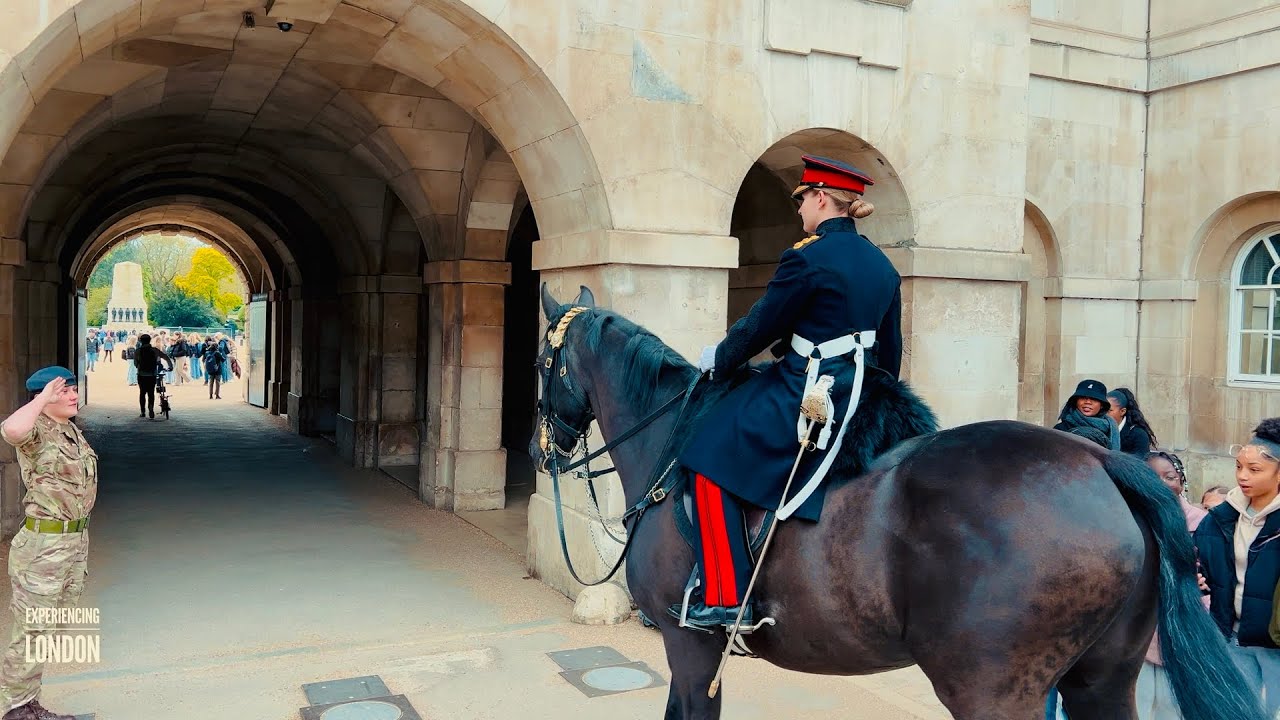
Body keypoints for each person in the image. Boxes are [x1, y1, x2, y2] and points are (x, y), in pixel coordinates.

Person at [673, 155, 902, 631]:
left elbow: (762, 324)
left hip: (809, 388)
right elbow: (891, 349)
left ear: (820, 198)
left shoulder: (808, 257)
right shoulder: (882, 265)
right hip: (862, 391)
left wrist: (720, 358)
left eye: (801, 199)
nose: (798, 209)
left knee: (706, 458)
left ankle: (726, 599)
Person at [0, 367, 95, 720]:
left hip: (73, 542)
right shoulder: (35, 429)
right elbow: (11, 430)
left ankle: (28, 703)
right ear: (42, 396)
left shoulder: (69, 430)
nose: (73, 395)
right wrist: (42, 400)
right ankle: (15, 709)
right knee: (33, 630)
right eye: (64, 390)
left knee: (49, 629)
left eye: (73, 388)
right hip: (43, 547)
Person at [1195, 418, 1280, 717]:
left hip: (1275, 642)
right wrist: (1197, 576)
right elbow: (1200, 561)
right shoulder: (1220, 517)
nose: (1243, 476)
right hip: (1231, 636)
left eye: (1254, 470)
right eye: (1239, 467)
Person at [1137, 450, 1207, 719]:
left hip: (1184, 620)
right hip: (1140, 624)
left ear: (1182, 481)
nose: (1163, 484)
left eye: (1170, 477)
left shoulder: (1202, 523)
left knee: (1173, 705)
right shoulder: (1129, 520)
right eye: (1152, 478)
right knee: (1138, 703)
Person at [1052, 379, 1120, 451]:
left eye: (1094, 399)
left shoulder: (1110, 429)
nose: (1088, 402)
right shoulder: (1061, 429)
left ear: (1102, 405)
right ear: (1076, 401)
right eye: (1083, 398)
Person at [1107, 387, 1156, 457]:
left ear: (1122, 411)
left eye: (1109, 410)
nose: (1104, 414)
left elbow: (1140, 461)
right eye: (1102, 410)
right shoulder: (1099, 431)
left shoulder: (1138, 434)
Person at [132, 334, 172, 419]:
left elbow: (135, 364)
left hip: (142, 375)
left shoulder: (138, 351)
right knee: (151, 393)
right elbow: (166, 357)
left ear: (140, 341)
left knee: (142, 393)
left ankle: (143, 411)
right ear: (150, 340)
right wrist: (170, 366)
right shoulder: (155, 350)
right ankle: (151, 409)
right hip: (152, 375)